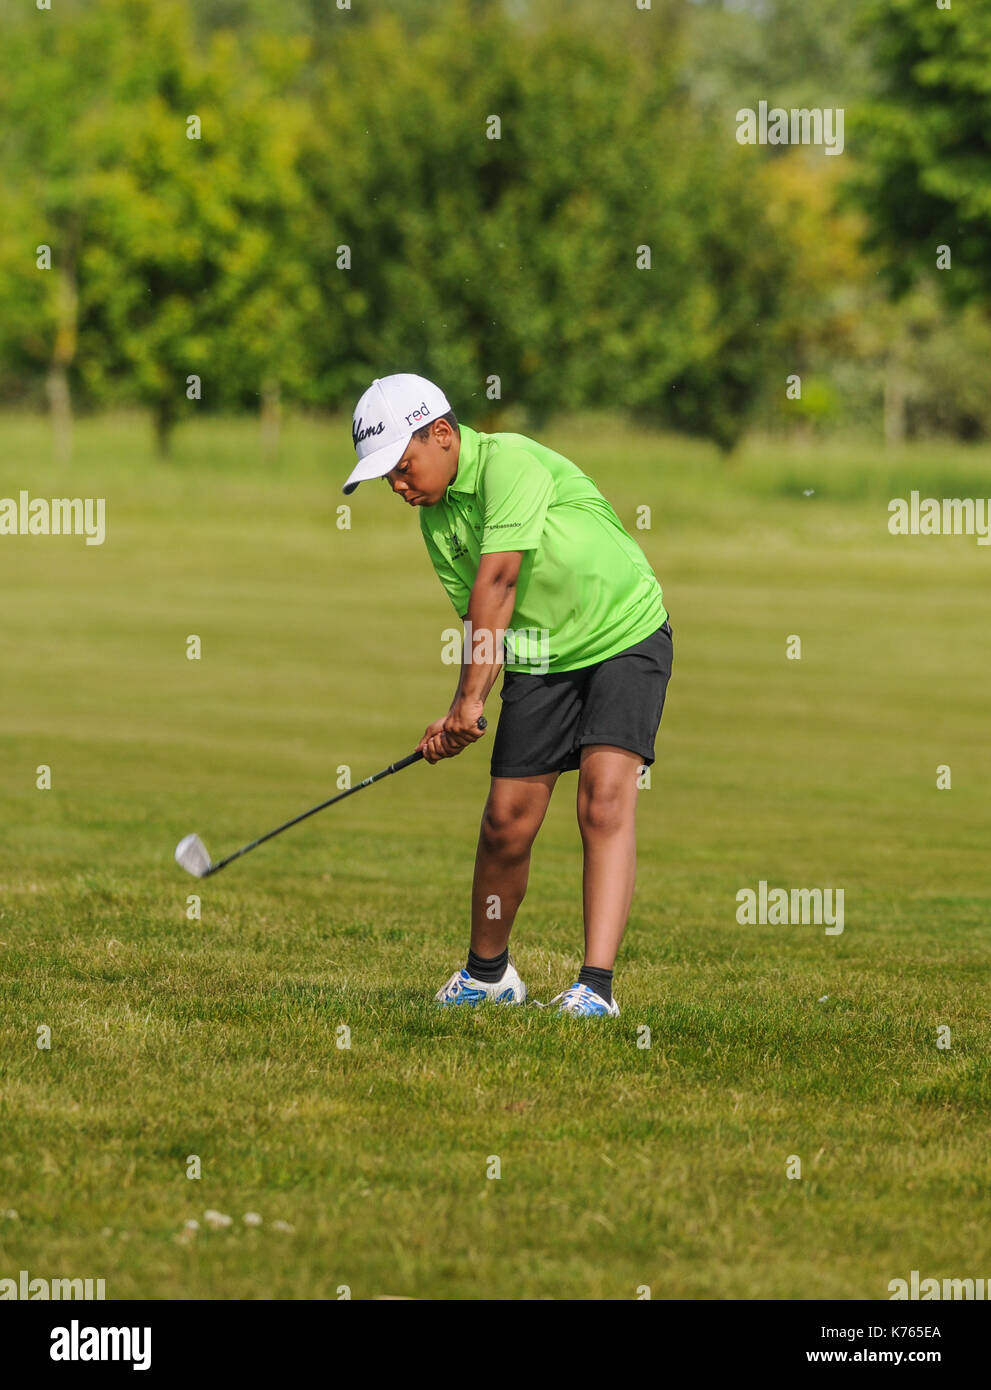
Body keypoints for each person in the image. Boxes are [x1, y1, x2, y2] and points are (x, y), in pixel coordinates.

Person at [343, 374, 673, 1017]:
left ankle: (595, 987)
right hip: (540, 655)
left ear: (442, 433)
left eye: (403, 467)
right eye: (388, 478)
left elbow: (499, 577)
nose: (399, 487)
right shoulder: (436, 520)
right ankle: (488, 975)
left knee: (603, 801)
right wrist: (460, 704)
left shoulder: (510, 463)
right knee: (504, 823)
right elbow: (479, 615)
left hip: (624, 633)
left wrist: (470, 707)